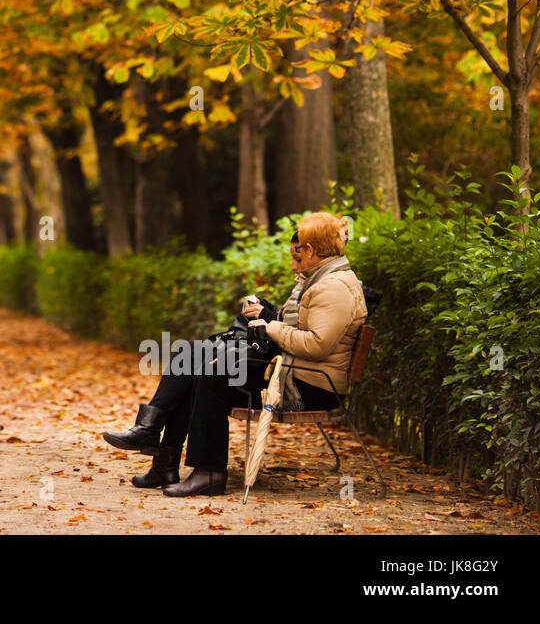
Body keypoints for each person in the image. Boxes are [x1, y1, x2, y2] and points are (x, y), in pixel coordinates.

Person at [101, 212, 368, 497]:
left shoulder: (334, 287)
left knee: (212, 373)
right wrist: (268, 315)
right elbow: (301, 326)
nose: (294, 265)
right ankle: (160, 453)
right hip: (290, 369)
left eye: (298, 257)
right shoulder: (319, 279)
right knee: (188, 355)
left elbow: (317, 345)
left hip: (310, 385)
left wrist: (271, 326)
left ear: (312, 250)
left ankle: (208, 472)